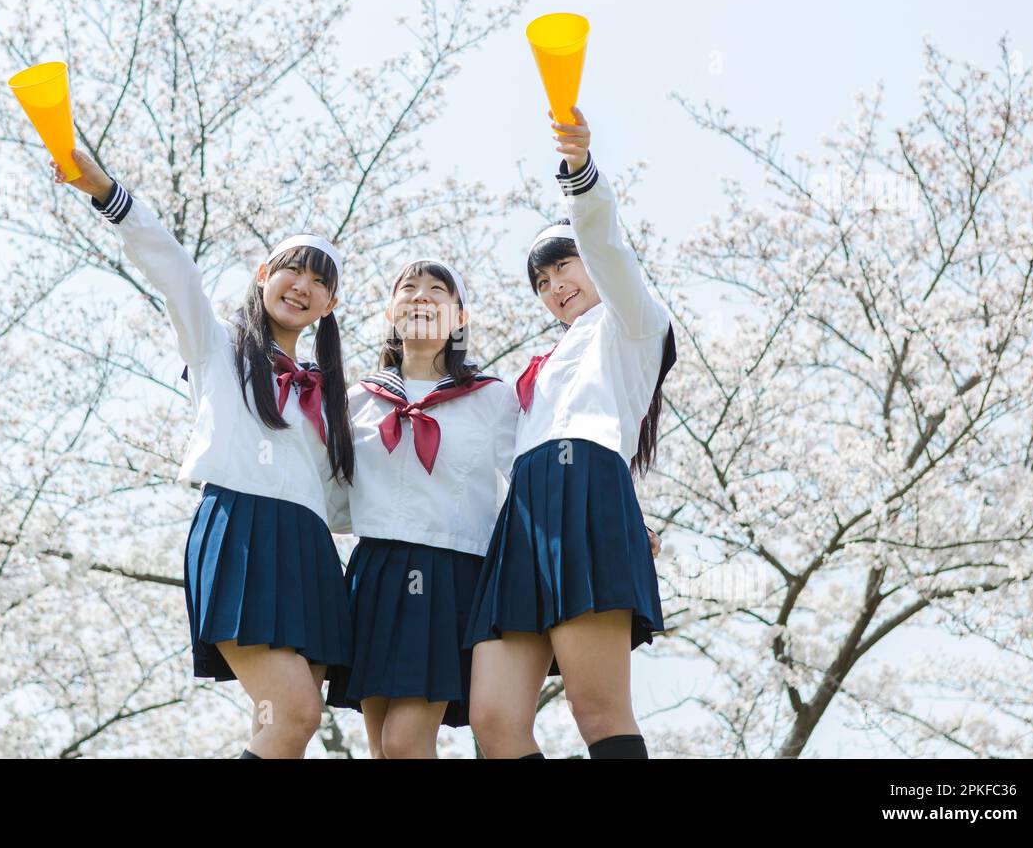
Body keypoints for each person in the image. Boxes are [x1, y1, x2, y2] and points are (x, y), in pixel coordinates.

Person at [52, 149, 355, 759]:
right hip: (243, 531)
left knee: (277, 728)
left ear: (330, 306)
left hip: (311, 552)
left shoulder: (332, 399)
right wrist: (109, 193)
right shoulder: (218, 350)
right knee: (295, 715)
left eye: (320, 281)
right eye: (294, 270)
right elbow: (176, 272)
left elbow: (357, 499)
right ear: (264, 272)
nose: (304, 286)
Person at [463, 106, 676, 759]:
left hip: (585, 489)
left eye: (565, 268)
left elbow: (607, 244)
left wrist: (580, 172)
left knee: (597, 709)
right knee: (494, 723)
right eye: (543, 281)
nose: (556, 286)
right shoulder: (534, 376)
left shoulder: (632, 324)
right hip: (522, 515)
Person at [321, 257, 519, 757]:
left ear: (460, 319)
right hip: (373, 570)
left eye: (438, 290)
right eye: (408, 288)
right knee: (381, 749)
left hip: (447, 569)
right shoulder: (355, 402)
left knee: (405, 743)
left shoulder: (493, 399)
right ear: (391, 311)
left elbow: (531, 478)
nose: (421, 296)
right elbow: (334, 501)